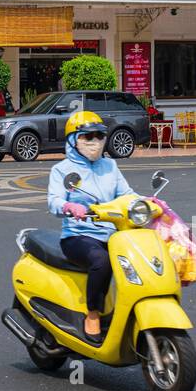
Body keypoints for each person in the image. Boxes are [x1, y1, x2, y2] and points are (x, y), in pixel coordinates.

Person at [46, 110, 135, 338]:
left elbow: (126, 194)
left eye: (99, 135)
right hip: (78, 236)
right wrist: (69, 207)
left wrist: (147, 202)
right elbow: (54, 201)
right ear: (73, 140)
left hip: (114, 233)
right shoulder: (62, 170)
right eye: (88, 137)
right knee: (101, 261)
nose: (95, 141)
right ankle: (93, 313)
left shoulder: (110, 166)